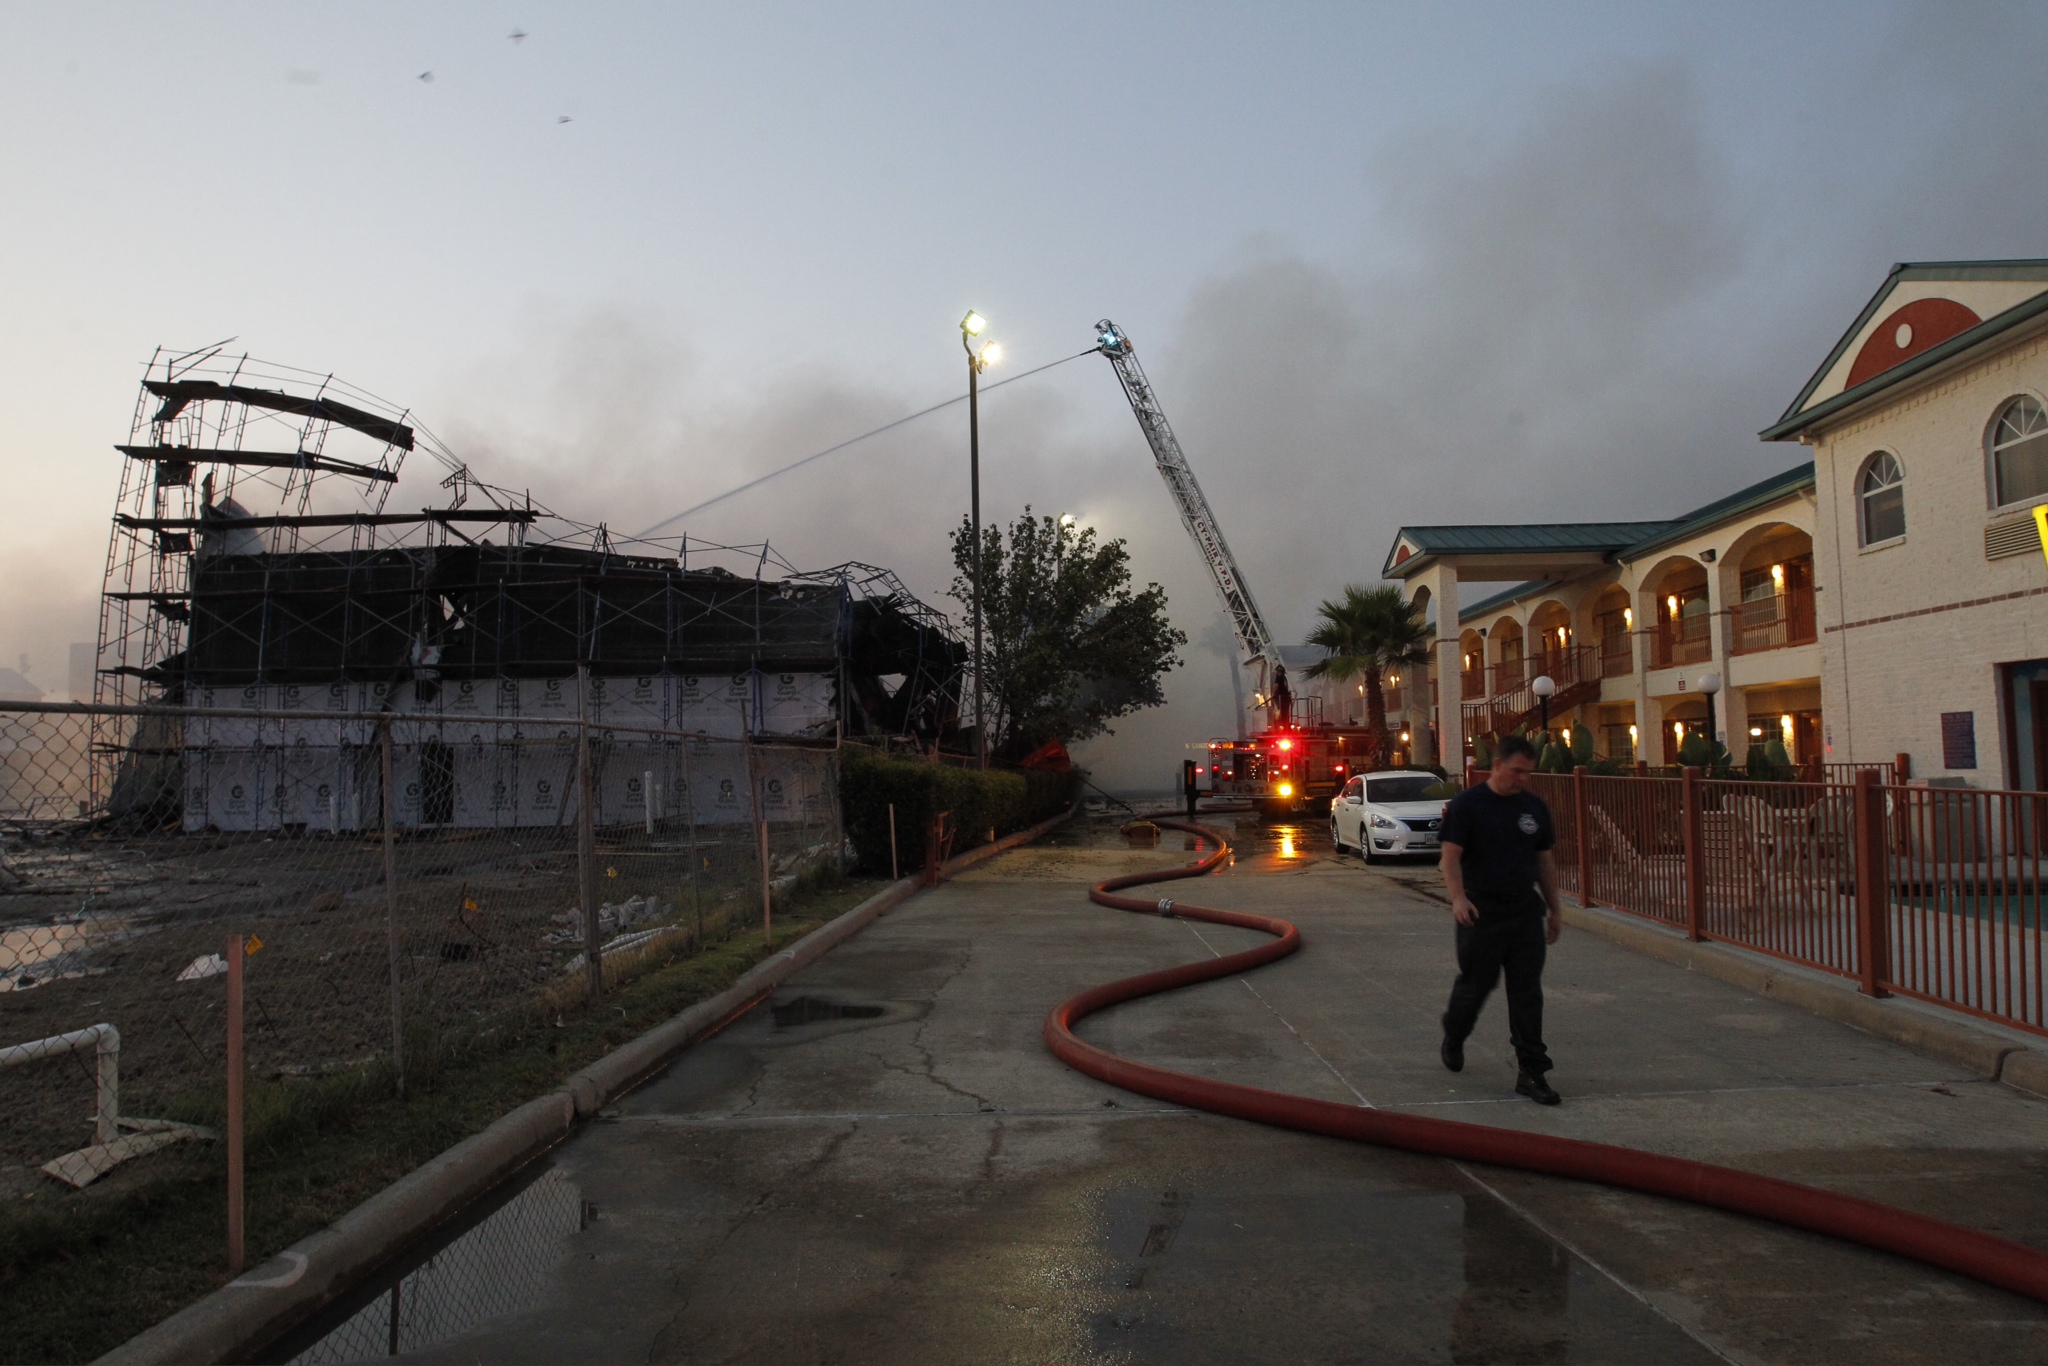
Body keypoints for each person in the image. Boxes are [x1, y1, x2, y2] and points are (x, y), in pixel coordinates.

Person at [1436, 734, 1564, 1105]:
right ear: (1497, 766)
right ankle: (1455, 1034)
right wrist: (1458, 899)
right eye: (1516, 771)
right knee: (1476, 985)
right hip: (1481, 912)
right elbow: (1451, 857)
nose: (1522, 778)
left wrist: (1555, 909)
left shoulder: (1534, 808)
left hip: (1524, 910)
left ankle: (1532, 1071)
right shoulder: (1469, 805)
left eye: (1527, 773)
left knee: (1527, 993)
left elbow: (1544, 861)